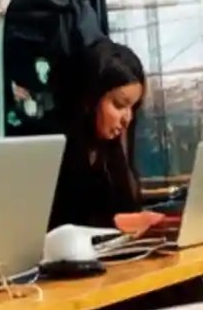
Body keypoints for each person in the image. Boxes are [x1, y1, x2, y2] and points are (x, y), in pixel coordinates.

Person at [48, 38, 164, 234]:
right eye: (119, 105)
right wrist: (117, 224)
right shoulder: (55, 151)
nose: (127, 118)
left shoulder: (113, 153)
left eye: (133, 107)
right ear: (89, 99)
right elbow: (54, 228)